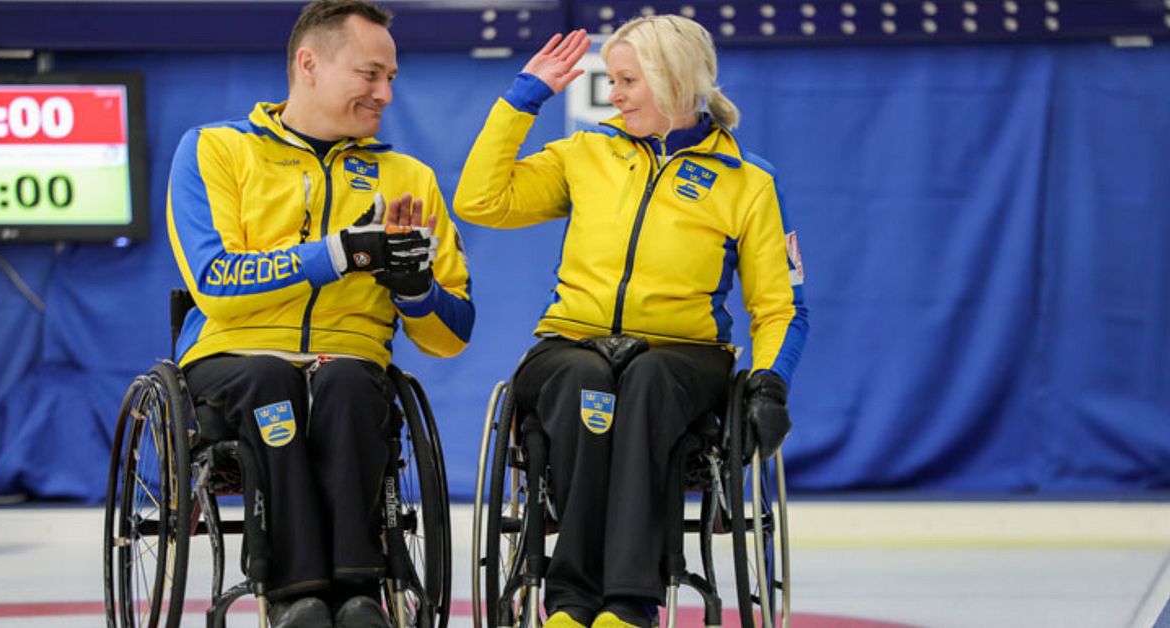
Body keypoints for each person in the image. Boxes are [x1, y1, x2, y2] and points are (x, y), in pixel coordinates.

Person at [454, 16, 807, 628]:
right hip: (573, 344)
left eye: (626, 80)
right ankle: (571, 601)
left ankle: (628, 604)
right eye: (611, 80)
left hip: (683, 356)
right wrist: (523, 98)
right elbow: (481, 200)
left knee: (646, 382)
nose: (613, 95)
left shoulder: (747, 182)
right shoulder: (586, 153)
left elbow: (780, 307)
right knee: (586, 381)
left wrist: (771, 382)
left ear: (675, 79)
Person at [166, 1, 473, 626]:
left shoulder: (408, 176)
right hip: (235, 357)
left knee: (349, 384)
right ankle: (294, 594)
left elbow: (452, 336)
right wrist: (341, 254)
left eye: (391, 77)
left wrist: (415, 289)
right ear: (309, 64)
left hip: (351, 360)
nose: (385, 93)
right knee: (271, 380)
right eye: (369, 74)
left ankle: (358, 592)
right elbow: (215, 281)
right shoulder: (215, 149)